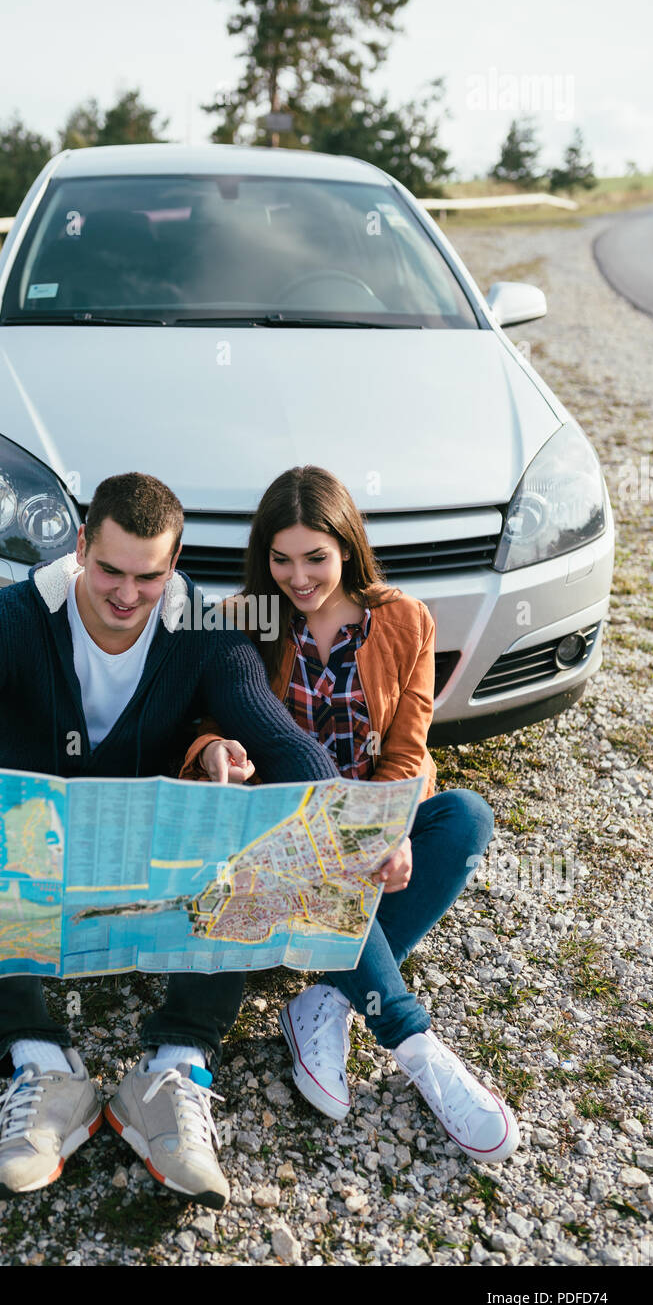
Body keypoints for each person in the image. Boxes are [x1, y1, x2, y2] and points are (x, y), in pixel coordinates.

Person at [0, 471, 339, 1210]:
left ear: (173, 568)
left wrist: (348, 829)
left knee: (250, 836)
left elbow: (284, 743)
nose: (125, 595)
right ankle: (43, 1070)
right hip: (30, 858)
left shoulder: (205, 633)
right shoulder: (7, 621)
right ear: (81, 546)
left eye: (148, 577)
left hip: (153, 865)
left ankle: (174, 1073)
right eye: (109, 570)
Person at [180, 465, 520, 1162]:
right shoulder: (245, 621)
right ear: (262, 556)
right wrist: (216, 750)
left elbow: (409, 750)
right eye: (280, 558)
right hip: (279, 838)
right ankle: (416, 1045)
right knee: (323, 852)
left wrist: (394, 830)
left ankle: (328, 998)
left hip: (366, 829)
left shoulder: (406, 621)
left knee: (467, 816)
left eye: (315, 558)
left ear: (348, 546)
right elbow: (199, 723)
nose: (297, 577)